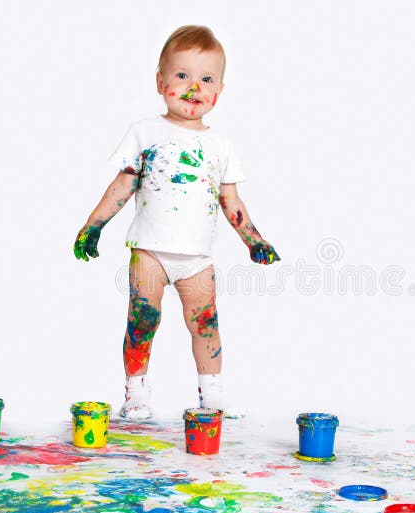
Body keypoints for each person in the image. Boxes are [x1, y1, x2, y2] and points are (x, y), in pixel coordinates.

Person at [73, 25, 279, 420]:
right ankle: (136, 394)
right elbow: (123, 186)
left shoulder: (222, 146)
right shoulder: (145, 132)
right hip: (149, 251)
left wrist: (255, 241)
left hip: (197, 258)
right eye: (181, 75)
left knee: (205, 324)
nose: (192, 87)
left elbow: (230, 201)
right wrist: (92, 225)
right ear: (160, 81)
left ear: (219, 90)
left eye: (206, 79)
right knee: (142, 322)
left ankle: (212, 395)